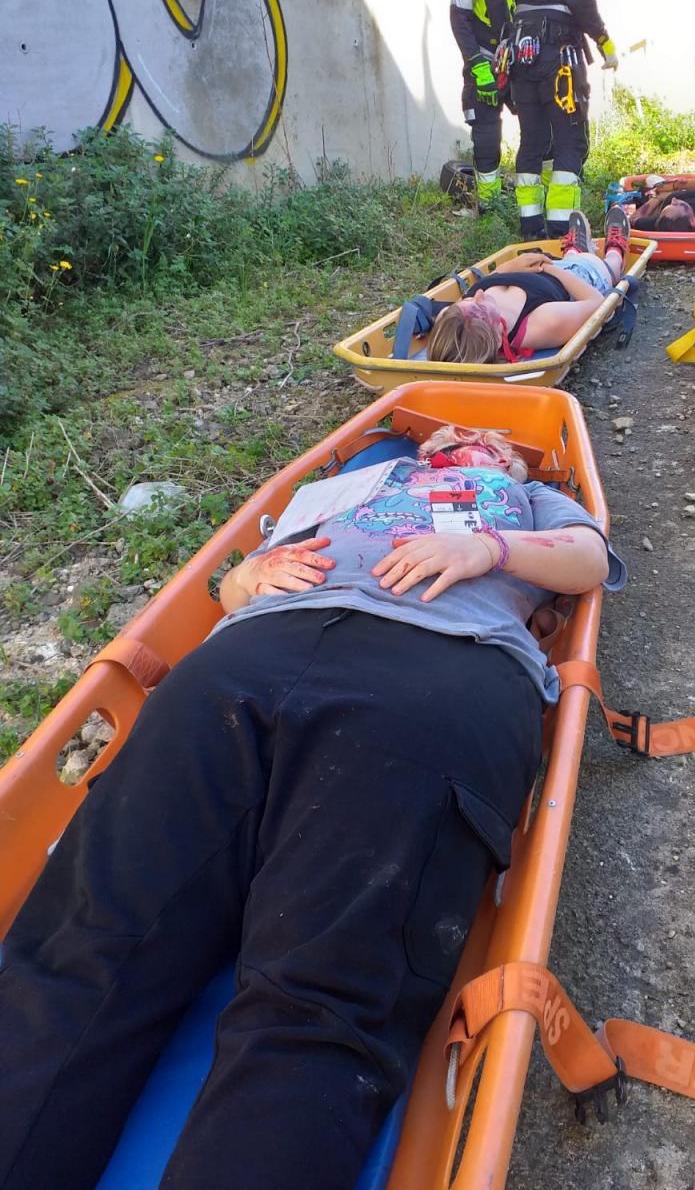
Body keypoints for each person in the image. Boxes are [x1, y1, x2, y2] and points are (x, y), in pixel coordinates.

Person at [0, 425, 622, 1190]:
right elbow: (232, 589)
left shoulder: (528, 500)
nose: (466, 434)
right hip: (247, 662)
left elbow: (587, 558)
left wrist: (489, 549)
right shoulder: (364, 483)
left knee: (315, 1006)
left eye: (491, 438)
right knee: (81, 949)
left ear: (515, 466)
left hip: (437, 674)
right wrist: (249, 576)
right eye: (451, 431)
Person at [485, 0, 618, 240]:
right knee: (569, 140)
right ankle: (562, 232)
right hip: (560, 52)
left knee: (531, 140)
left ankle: (531, 229)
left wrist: (507, 36)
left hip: (521, 51)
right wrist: (603, 39)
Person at [427, 207, 630, 363]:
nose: (478, 293)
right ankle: (615, 254)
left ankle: (574, 249)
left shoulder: (457, 320)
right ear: (497, 338)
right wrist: (549, 268)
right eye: (480, 306)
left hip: (541, 268)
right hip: (580, 277)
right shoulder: (539, 324)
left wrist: (510, 267)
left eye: (469, 299)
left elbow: (477, 296)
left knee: (570, 257)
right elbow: (596, 303)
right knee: (600, 266)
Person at [450, 0, 515, 211]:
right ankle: (489, 208)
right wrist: (478, 66)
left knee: (547, 136)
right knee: (487, 137)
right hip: (486, 57)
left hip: (526, 57)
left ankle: (541, 209)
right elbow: (459, 17)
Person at [621, 175, 695, 234]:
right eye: (677, 205)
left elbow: (632, 220)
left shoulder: (665, 223)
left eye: (671, 205)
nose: (674, 200)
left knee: (650, 180)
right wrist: (678, 185)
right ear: (692, 221)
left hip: (661, 195)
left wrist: (658, 198)